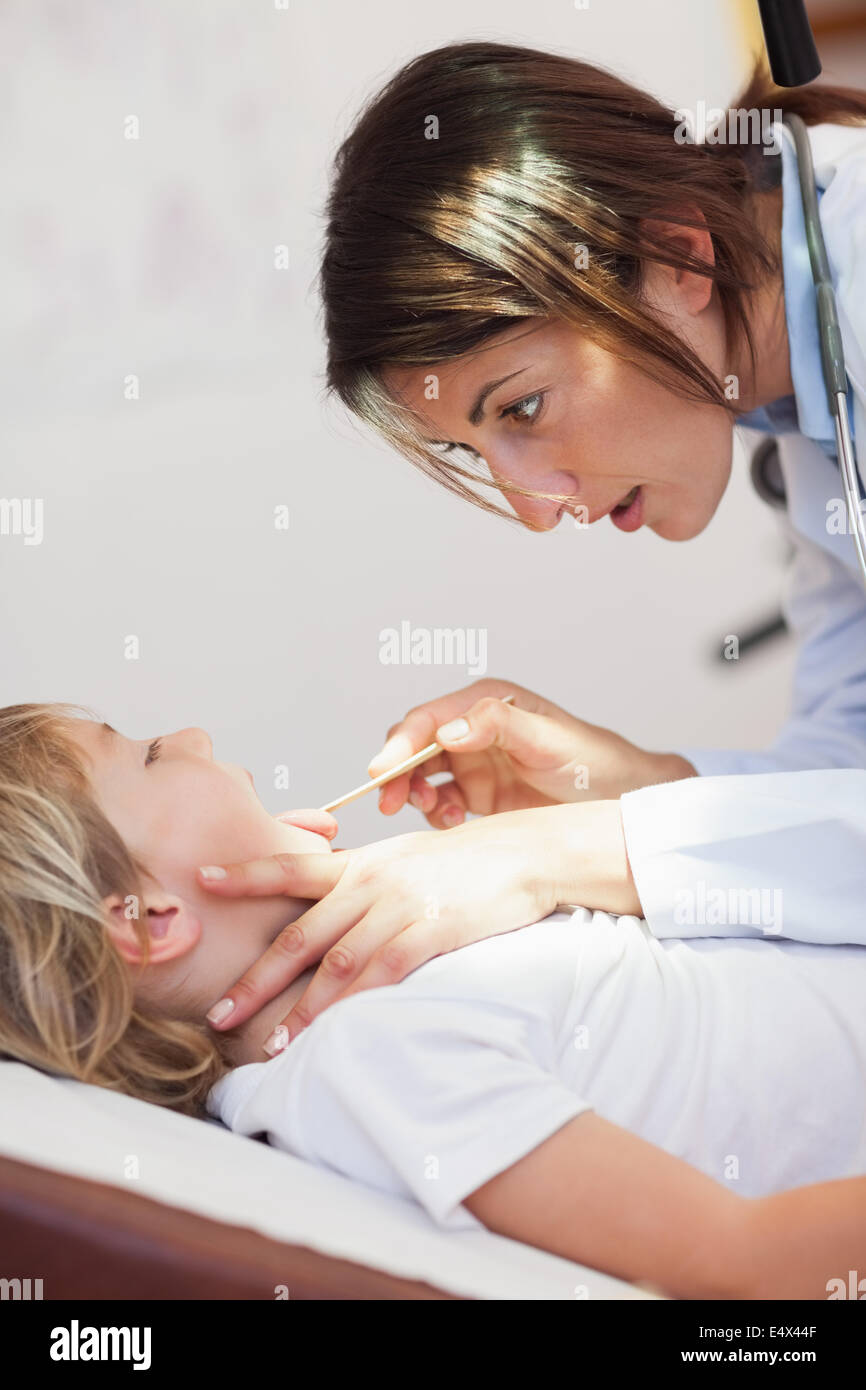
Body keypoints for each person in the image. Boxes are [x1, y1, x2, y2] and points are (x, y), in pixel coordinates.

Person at [202, 42, 866, 1049]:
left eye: (521, 406)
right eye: (477, 450)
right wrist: (623, 777)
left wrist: (563, 851)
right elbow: (846, 764)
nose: (535, 506)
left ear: (678, 257)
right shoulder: (794, 402)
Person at [1, 702, 864, 1300]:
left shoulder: (411, 971)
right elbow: (744, 1269)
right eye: (152, 755)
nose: (191, 735)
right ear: (148, 921)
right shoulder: (362, 1059)